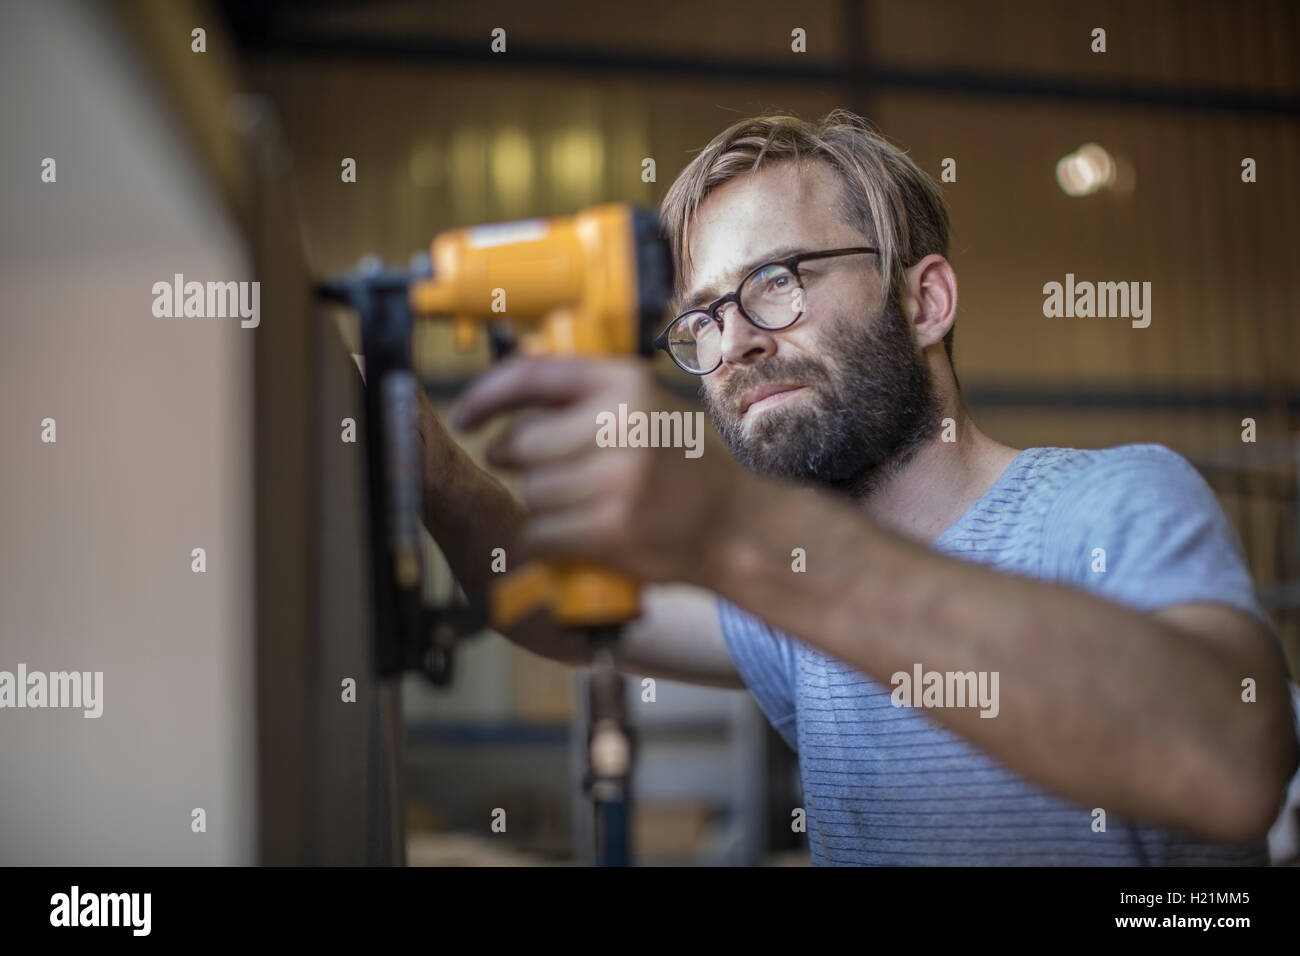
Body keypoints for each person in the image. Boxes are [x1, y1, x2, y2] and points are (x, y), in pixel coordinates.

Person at [414, 110, 1298, 865]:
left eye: (777, 281)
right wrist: (436, 465)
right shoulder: (792, 594)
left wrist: (731, 527)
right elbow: (554, 608)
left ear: (926, 302)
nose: (735, 345)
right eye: (701, 317)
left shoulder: (1115, 504)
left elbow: (1232, 762)